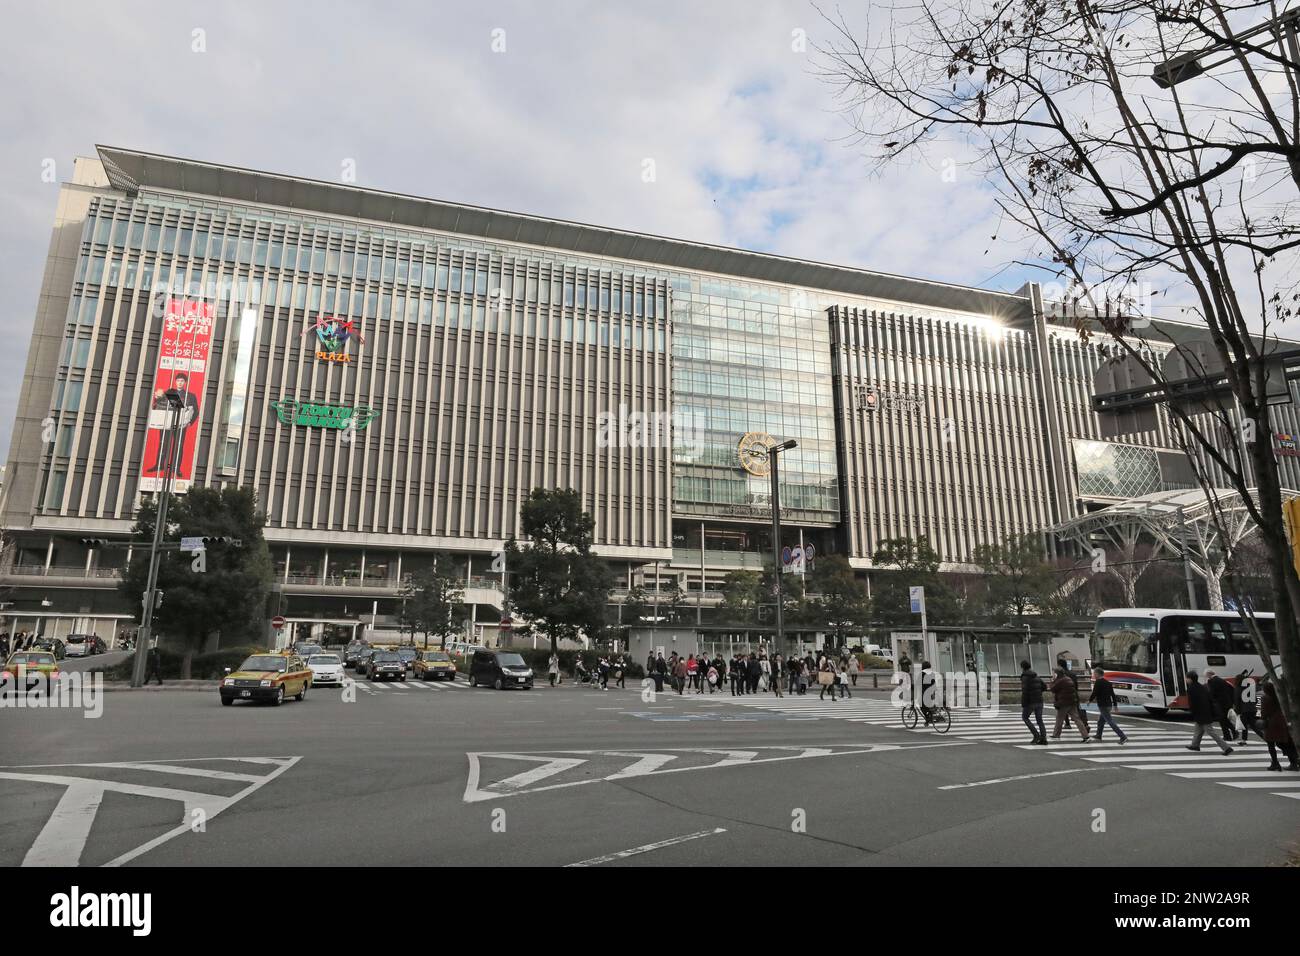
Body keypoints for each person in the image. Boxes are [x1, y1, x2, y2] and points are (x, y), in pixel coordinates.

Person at [1185, 671, 1234, 755]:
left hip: (1201, 713)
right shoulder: (1201, 686)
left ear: (1190, 679)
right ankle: (1195, 745)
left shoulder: (1191, 688)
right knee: (1198, 728)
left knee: (1211, 732)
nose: (1186, 680)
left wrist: (1192, 712)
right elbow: (1209, 699)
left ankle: (1226, 748)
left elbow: (1193, 703)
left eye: (1186, 678)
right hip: (1206, 712)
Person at [1260, 681, 1298, 771]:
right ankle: (1293, 762)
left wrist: (1262, 719)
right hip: (1282, 720)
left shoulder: (1265, 698)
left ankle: (1275, 763)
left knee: (1271, 744)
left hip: (1271, 723)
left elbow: (1263, 712)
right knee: (1286, 743)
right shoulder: (1279, 696)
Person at [1088, 667, 1128, 744]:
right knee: (1101, 721)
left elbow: (1094, 692)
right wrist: (1115, 705)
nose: (1094, 675)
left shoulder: (1098, 682)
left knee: (1110, 721)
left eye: (1094, 673)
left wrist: (1089, 700)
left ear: (1097, 674)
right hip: (1109, 704)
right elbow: (1113, 695)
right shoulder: (1108, 682)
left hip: (1103, 705)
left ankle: (1123, 736)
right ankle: (1098, 735)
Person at [1049, 666, 1090, 741]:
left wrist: (1053, 680)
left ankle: (1056, 735)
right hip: (1072, 701)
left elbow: (1052, 689)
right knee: (1077, 719)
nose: (1053, 674)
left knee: (1059, 718)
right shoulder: (1068, 679)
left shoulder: (1060, 681)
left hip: (1064, 702)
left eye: (1054, 673)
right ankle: (1085, 736)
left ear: (1057, 674)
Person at [1020, 660, 1048, 745]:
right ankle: (1044, 738)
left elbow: (1025, 691)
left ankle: (1036, 735)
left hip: (1030, 701)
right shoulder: (1036, 676)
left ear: (1022, 667)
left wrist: (1024, 703)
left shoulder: (1025, 677)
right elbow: (1045, 687)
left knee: (1025, 717)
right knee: (1039, 720)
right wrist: (1038, 692)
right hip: (1039, 700)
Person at [1205, 669, 1237, 742]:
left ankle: (1230, 734)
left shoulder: (1212, 681)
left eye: (1206, 675)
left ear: (1209, 674)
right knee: (1223, 719)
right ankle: (1229, 734)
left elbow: (1212, 693)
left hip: (1219, 703)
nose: (1206, 677)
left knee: (1222, 720)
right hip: (1227, 703)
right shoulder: (1222, 680)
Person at [1234, 670, 1262, 744]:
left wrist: (1237, 711)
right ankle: (1263, 737)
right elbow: (1255, 699)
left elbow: (1237, 701)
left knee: (1245, 725)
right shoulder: (1250, 687)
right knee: (1253, 725)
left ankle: (1244, 740)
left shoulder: (1238, 689)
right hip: (1252, 708)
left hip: (1244, 709)